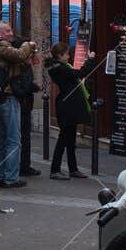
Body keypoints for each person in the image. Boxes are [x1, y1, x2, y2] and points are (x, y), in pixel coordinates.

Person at [0, 21, 35, 189]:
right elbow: (19, 55)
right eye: (8, 30)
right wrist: (29, 45)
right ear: (0, 33)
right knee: (13, 140)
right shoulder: (0, 45)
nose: (11, 33)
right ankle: (11, 177)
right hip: (7, 97)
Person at [45, 42, 98, 179]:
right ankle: (55, 170)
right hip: (67, 107)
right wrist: (90, 60)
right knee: (63, 139)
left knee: (70, 140)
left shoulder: (60, 67)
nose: (69, 56)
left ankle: (73, 168)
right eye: (67, 54)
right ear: (60, 55)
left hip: (69, 106)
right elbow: (80, 73)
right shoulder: (61, 69)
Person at [11, 40, 41, 176]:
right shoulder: (22, 66)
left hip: (24, 103)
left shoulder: (22, 65)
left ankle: (24, 165)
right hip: (23, 103)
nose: (34, 56)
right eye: (32, 53)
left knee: (23, 136)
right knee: (23, 136)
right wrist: (33, 87)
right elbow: (22, 86)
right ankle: (23, 166)